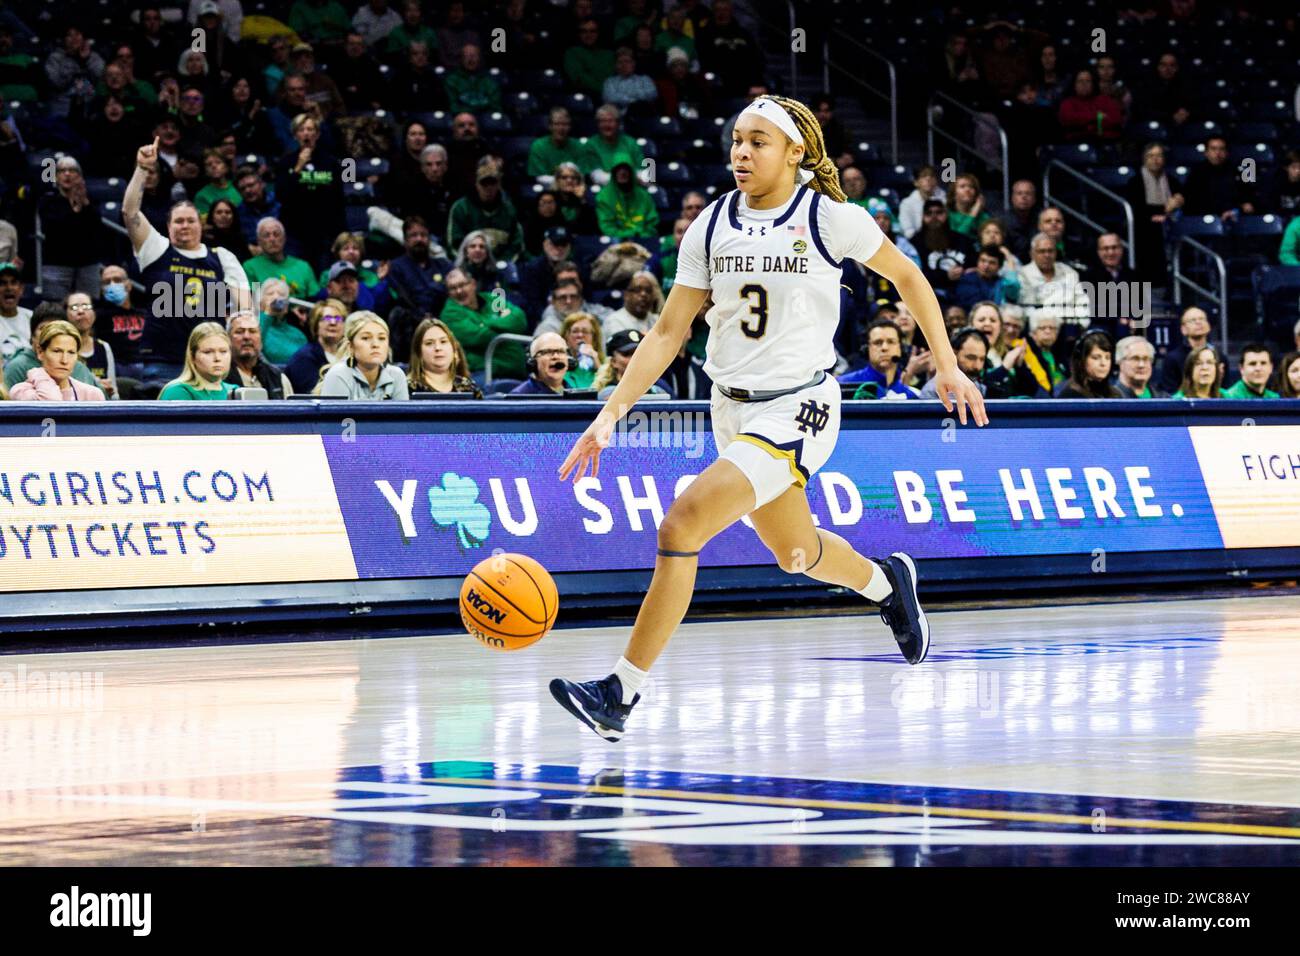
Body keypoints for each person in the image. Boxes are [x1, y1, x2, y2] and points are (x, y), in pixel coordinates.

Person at [549, 94, 986, 741]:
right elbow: (669, 332)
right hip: (729, 407)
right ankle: (887, 584)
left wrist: (946, 363)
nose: (741, 153)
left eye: (757, 141)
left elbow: (910, 278)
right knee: (795, 553)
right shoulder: (712, 224)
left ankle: (620, 691)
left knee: (682, 522)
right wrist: (610, 414)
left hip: (800, 406)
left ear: (795, 152)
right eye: (735, 142)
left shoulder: (829, 217)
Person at [123, 135, 252, 385]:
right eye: (178, 221)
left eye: (191, 220)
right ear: (168, 227)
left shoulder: (221, 257)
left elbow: (244, 309)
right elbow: (130, 212)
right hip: (163, 361)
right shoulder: (156, 249)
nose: (185, 226)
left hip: (209, 361)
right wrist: (142, 169)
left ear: (201, 225)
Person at [438, 267, 527, 380]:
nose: (459, 291)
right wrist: (503, 324)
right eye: (453, 288)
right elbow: (481, 337)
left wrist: (486, 323)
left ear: (473, 284)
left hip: (517, 371)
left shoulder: (493, 298)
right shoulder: (450, 313)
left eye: (462, 285)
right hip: (482, 373)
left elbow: (520, 320)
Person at [8, 321, 107, 402]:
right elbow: (51, 402)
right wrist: (39, 373)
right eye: (57, 351)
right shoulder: (21, 391)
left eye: (71, 352)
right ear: (40, 352)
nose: (64, 360)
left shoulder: (92, 395)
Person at [319, 311, 409, 399]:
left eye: (381, 338)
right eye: (365, 338)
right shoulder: (338, 375)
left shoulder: (397, 375)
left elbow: (403, 414)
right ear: (350, 346)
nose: (375, 344)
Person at [837, 318, 922, 398]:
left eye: (891, 342)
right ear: (866, 349)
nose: (884, 348)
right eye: (878, 343)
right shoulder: (841, 386)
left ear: (901, 348)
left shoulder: (911, 396)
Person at [243, 218, 321, 298]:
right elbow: (253, 302)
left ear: (284, 238)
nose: (272, 239)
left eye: (276, 234)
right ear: (259, 241)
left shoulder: (303, 267)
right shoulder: (250, 267)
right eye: (266, 235)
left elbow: (315, 299)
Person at [158, 322, 238, 399]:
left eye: (223, 351)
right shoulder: (178, 391)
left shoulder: (235, 391)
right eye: (208, 352)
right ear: (192, 357)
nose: (217, 358)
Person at [406, 316, 483, 396]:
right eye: (429, 343)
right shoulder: (407, 388)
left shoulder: (469, 388)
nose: (438, 348)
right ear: (419, 352)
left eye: (443, 341)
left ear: (454, 350)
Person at [225, 310, 293, 398]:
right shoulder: (220, 377)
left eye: (252, 331)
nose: (247, 337)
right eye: (239, 331)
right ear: (228, 339)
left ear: (261, 339)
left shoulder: (278, 378)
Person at [65, 292, 117, 399]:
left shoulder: (104, 347)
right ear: (65, 314)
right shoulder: (61, 348)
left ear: (94, 313)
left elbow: (114, 394)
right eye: (74, 307)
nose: (81, 311)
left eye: (86, 306)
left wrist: (110, 391)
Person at [1156, 306, 1213, 395]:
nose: (1198, 322)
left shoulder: (1219, 356)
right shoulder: (1172, 358)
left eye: (1202, 319)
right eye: (1193, 320)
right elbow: (1169, 393)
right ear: (1183, 329)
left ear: (1209, 325)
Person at [1056, 329, 1121, 398]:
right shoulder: (1070, 395)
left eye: (1107, 358)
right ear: (1081, 360)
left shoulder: (1115, 394)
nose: (1103, 363)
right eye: (1096, 357)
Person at [602, 271, 662, 337]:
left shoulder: (657, 320)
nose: (643, 294)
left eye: (648, 291)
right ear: (626, 295)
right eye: (637, 290)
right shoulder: (614, 321)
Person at [897, 165, 946, 240]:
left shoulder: (945, 200)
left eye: (932, 176)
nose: (928, 178)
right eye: (924, 176)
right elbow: (908, 231)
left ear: (936, 181)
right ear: (916, 182)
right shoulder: (906, 203)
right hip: (917, 242)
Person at [560, 311, 604, 389]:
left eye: (585, 331)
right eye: (575, 331)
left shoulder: (604, 364)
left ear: (594, 338)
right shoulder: (558, 364)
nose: (580, 335)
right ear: (566, 337)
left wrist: (597, 364)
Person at [0, 262, 32, 361]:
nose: (9, 288)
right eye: (2, 283)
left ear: (21, 289)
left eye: (13, 282)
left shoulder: (32, 317)